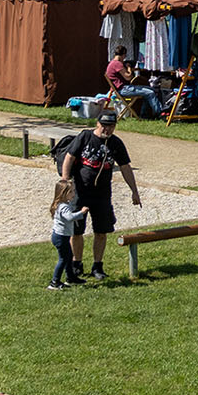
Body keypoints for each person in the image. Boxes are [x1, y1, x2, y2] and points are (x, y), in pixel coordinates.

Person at [59, 109, 142, 280]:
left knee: (101, 231)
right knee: (76, 231)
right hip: (80, 192)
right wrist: (65, 181)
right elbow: (69, 157)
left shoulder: (116, 143)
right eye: (104, 126)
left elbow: (126, 167)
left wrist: (134, 191)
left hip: (102, 194)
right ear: (97, 124)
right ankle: (77, 264)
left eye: (111, 126)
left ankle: (97, 266)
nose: (107, 129)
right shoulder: (85, 137)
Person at [48, 179, 89, 290]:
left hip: (61, 236)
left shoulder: (62, 204)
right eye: (71, 192)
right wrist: (82, 212)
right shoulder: (63, 207)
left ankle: (71, 277)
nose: (73, 194)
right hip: (61, 237)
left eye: (74, 191)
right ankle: (54, 282)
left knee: (69, 256)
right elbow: (70, 217)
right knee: (63, 259)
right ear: (62, 194)